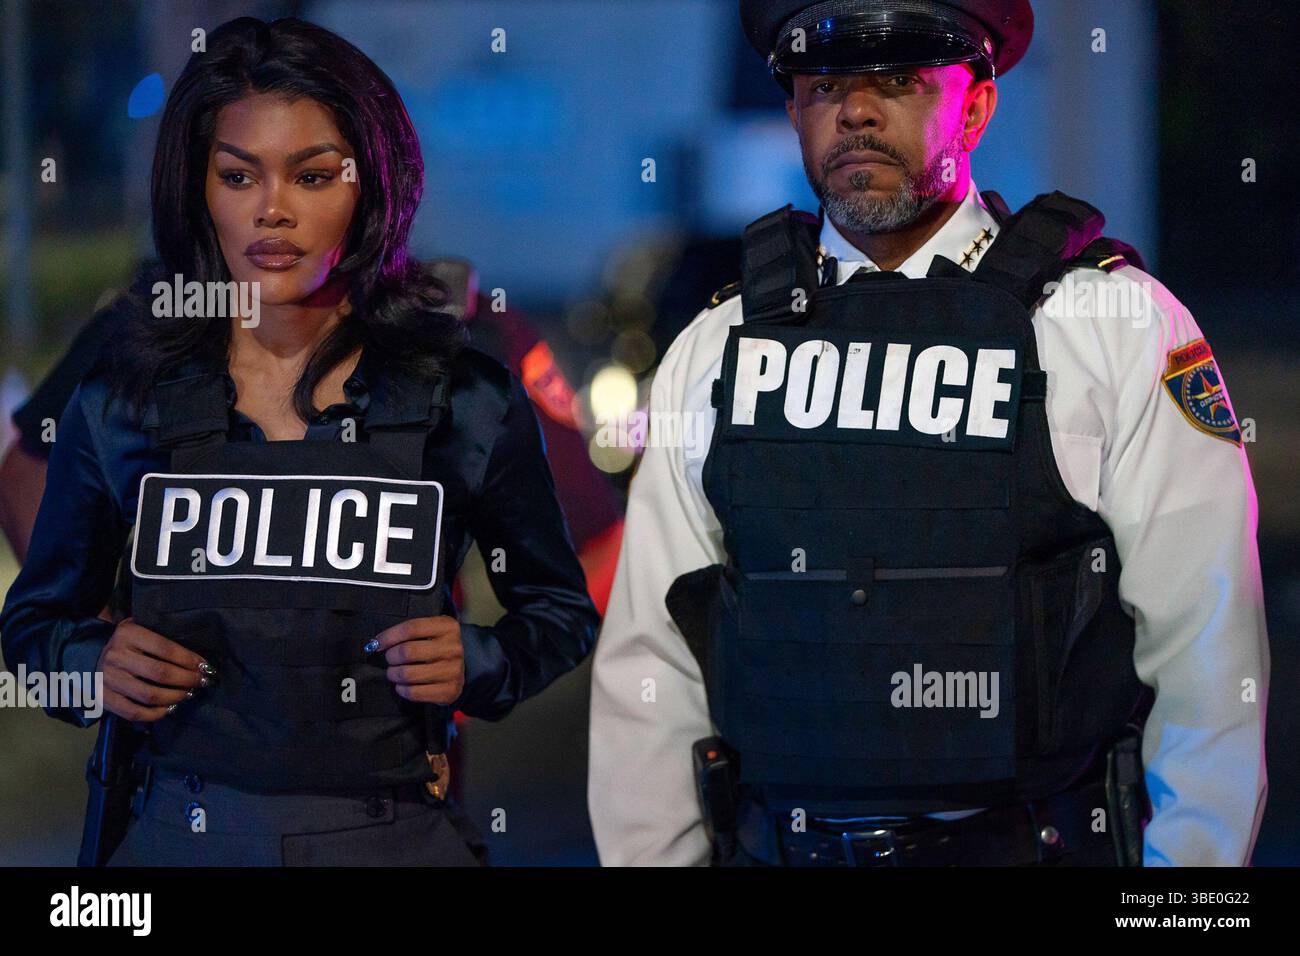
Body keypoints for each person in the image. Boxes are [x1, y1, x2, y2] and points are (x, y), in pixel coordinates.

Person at [588, 0, 1269, 866]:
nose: (857, 111)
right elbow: (655, 670)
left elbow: (1207, 652)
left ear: (977, 106)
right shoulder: (716, 349)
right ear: (793, 108)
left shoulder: (1109, 323)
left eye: (899, 81)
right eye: (825, 83)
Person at [0, 16, 599, 866]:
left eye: (313, 175)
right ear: (197, 189)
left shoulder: (462, 394)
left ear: (372, 187)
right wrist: (91, 660)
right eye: (238, 176)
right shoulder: (125, 393)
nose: (272, 210)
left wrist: (483, 660)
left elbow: (561, 612)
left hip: (393, 828)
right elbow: (31, 624)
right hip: (175, 829)